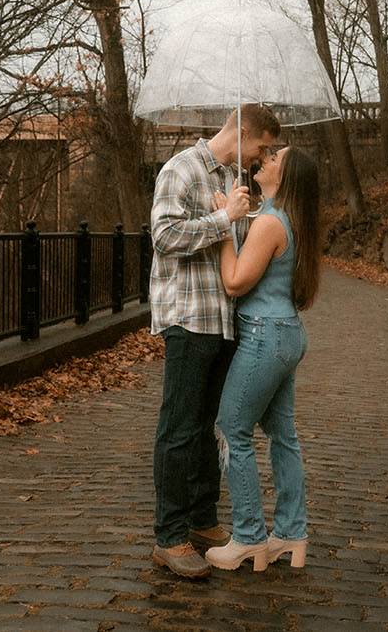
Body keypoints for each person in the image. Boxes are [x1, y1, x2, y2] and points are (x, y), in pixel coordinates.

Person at [149, 104, 282, 579]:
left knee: (209, 427)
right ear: (244, 132)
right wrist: (224, 219)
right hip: (189, 318)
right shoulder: (181, 168)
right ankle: (170, 536)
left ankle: (202, 520)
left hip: (225, 320)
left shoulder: (234, 179)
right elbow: (163, 237)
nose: (262, 155)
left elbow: (237, 248)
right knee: (180, 427)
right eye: (262, 146)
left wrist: (241, 217)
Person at [204, 145, 321, 573]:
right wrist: (237, 215)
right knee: (282, 434)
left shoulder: (271, 222)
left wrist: (222, 229)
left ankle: (249, 537)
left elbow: (235, 282)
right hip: (287, 333)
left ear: (285, 177)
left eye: (275, 159)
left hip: (263, 336)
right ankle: (291, 533)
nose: (265, 160)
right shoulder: (286, 217)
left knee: (231, 428)